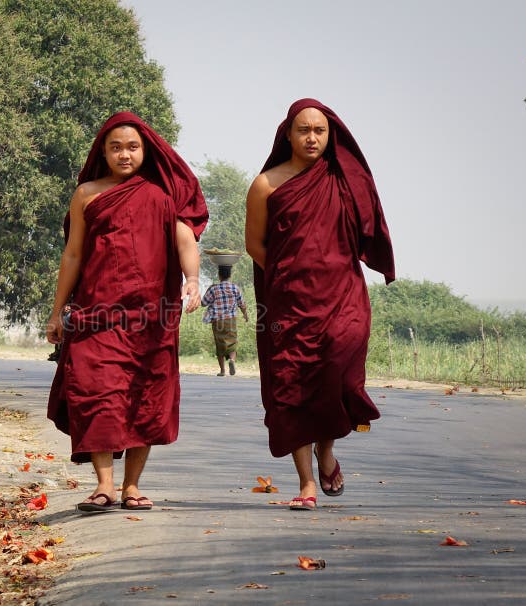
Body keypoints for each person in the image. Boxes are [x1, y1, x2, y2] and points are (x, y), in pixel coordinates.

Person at [46, 111, 208, 514]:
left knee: (144, 397)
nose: (124, 154)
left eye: (132, 147)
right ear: (103, 151)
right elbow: (73, 253)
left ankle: (133, 486)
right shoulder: (87, 194)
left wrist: (192, 279)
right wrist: (56, 311)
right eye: (115, 147)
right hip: (95, 312)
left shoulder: (160, 194)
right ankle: (104, 485)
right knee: (95, 392)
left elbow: (184, 238)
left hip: (150, 317)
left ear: (145, 150)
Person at [245, 98, 395, 511]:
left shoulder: (345, 179)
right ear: (287, 134)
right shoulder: (267, 184)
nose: (311, 137)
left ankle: (326, 452)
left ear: (330, 136)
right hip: (290, 303)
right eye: (303, 130)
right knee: (292, 388)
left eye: (319, 131)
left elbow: (369, 226)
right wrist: (285, 278)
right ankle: (307, 482)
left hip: (343, 297)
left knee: (338, 379)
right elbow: (254, 243)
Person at [201, 264, 248, 376]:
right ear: (230, 275)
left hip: (217, 321)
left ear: (219, 275)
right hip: (231, 319)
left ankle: (222, 371)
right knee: (232, 342)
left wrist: (208, 289)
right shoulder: (235, 288)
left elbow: (203, 303)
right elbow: (242, 304)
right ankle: (232, 360)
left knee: (220, 344)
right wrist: (245, 314)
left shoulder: (214, 289)